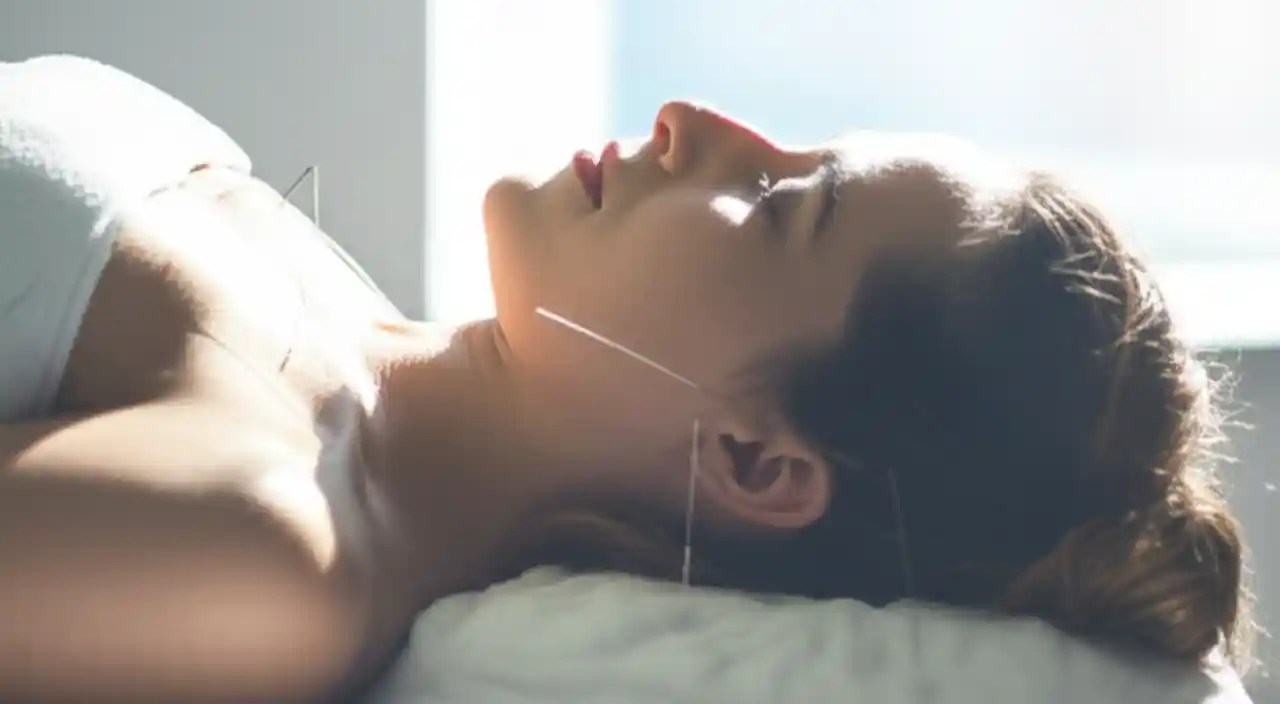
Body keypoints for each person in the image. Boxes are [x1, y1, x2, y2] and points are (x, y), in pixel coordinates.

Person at [0, 73, 1253, 700]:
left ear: (756, 464)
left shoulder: (262, 556)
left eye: (778, 200)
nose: (690, 122)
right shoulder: (337, 316)